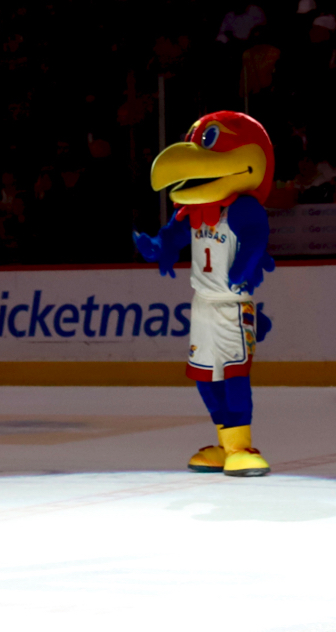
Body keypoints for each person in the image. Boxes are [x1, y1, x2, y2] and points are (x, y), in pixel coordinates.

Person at [133, 111, 276, 476]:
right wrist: (158, 246)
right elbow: (173, 236)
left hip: (232, 305)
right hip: (202, 305)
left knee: (234, 374)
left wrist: (246, 265)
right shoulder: (192, 210)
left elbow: (257, 238)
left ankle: (242, 446)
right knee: (203, 376)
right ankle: (225, 440)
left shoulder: (243, 208)